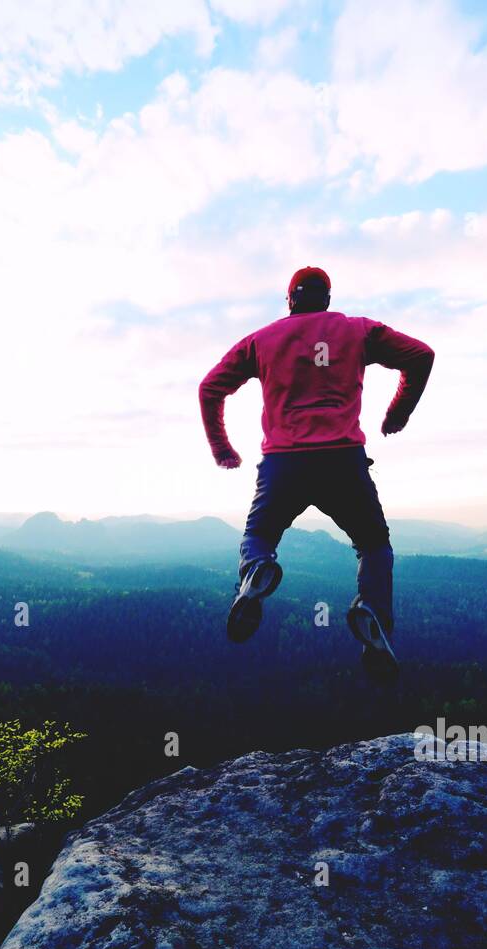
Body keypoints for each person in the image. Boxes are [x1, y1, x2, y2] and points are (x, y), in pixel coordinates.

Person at [198, 266, 434, 680]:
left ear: (290, 300)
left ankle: (255, 570)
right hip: (343, 460)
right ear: (327, 299)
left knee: (258, 537)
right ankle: (372, 613)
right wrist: (398, 413)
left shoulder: (262, 340)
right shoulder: (358, 330)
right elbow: (421, 356)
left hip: (283, 463)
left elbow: (210, 387)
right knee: (374, 546)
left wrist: (221, 447)